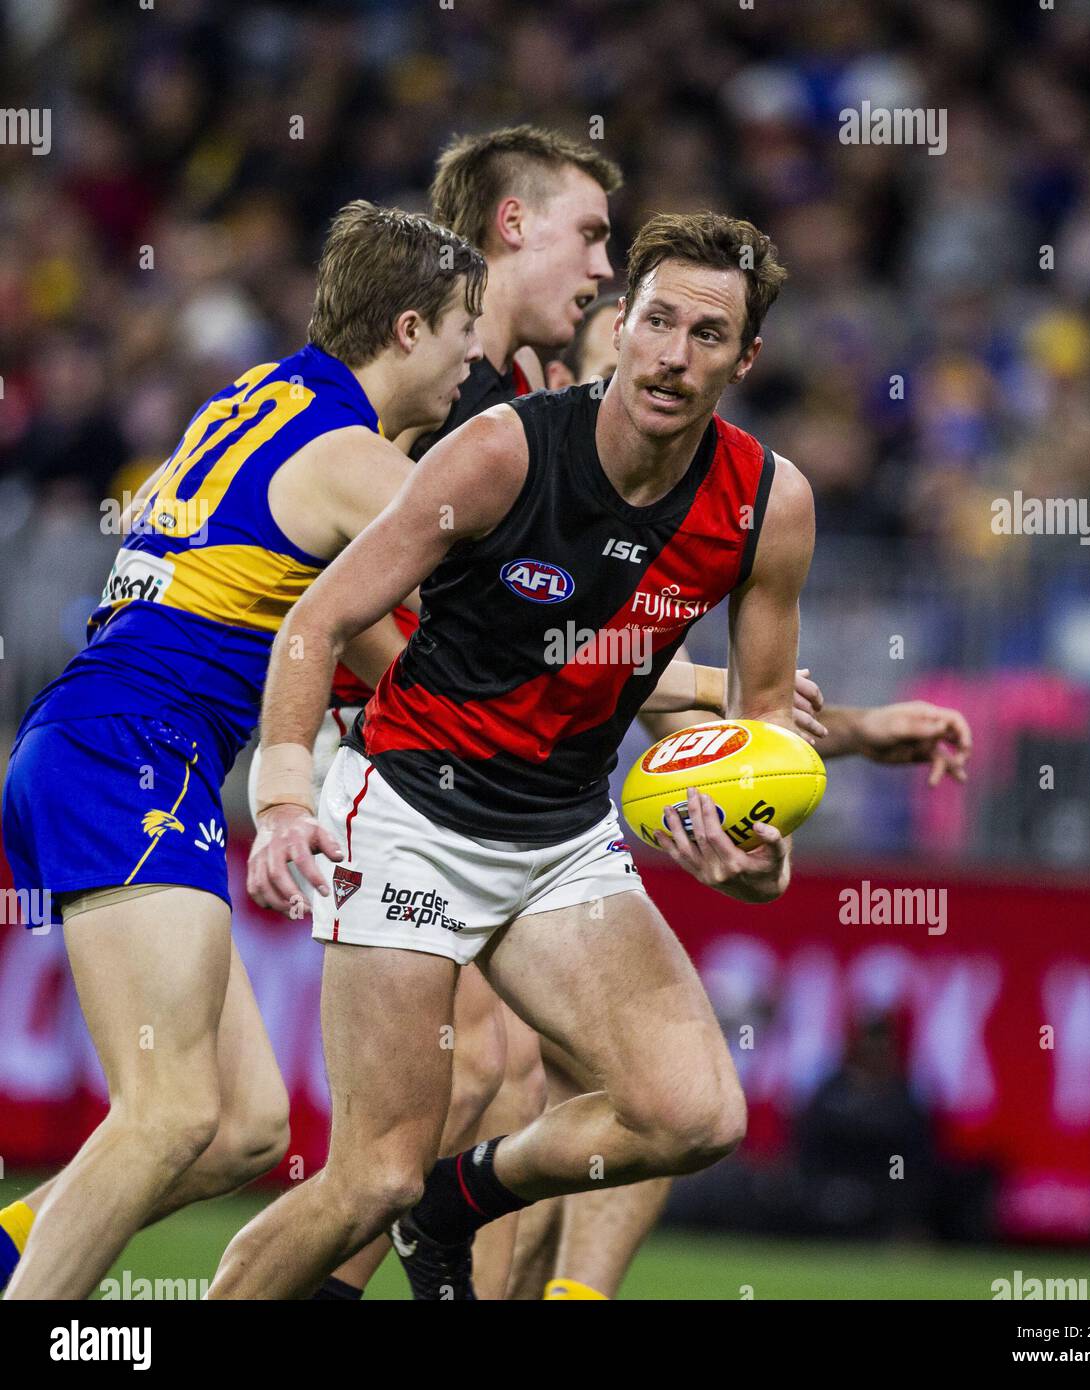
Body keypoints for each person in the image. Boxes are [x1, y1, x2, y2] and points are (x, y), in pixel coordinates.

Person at [207, 208, 919, 1301]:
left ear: (747, 357)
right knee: (370, 1176)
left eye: (709, 335)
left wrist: (765, 842)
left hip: (562, 835)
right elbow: (316, 618)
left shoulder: (770, 505)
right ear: (622, 324)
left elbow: (768, 721)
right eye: (658, 321)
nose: (675, 357)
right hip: (408, 811)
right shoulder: (503, 449)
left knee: (695, 1113)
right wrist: (289, 789)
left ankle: (459, 1202)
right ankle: (403, 1209)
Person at [0, 204, 489, 1300]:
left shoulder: (268, 397)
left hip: (104, 740)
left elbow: (355, 629)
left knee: (243, 1128)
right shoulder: (353, 456)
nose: (476, 355)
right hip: (130, 745)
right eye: (465, 326)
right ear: (408, 329)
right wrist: (689, 684)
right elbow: (491, 602)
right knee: (170, 1109)